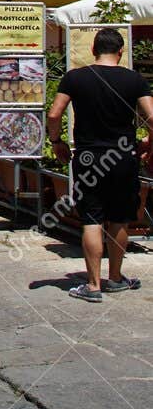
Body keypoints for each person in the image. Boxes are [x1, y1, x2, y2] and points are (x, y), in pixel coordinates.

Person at [47, 28, 153, 302]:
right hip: (123, 156)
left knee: (91, 218)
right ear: (120, 52)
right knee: (119, 217)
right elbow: (152, 118)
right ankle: (115, 278)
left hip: (88, 156)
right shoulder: (134, 80)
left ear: (93, 50)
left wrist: (57, 141)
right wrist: (148, 144)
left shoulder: (76, 78)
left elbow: (54, 113)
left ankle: (93, 285)